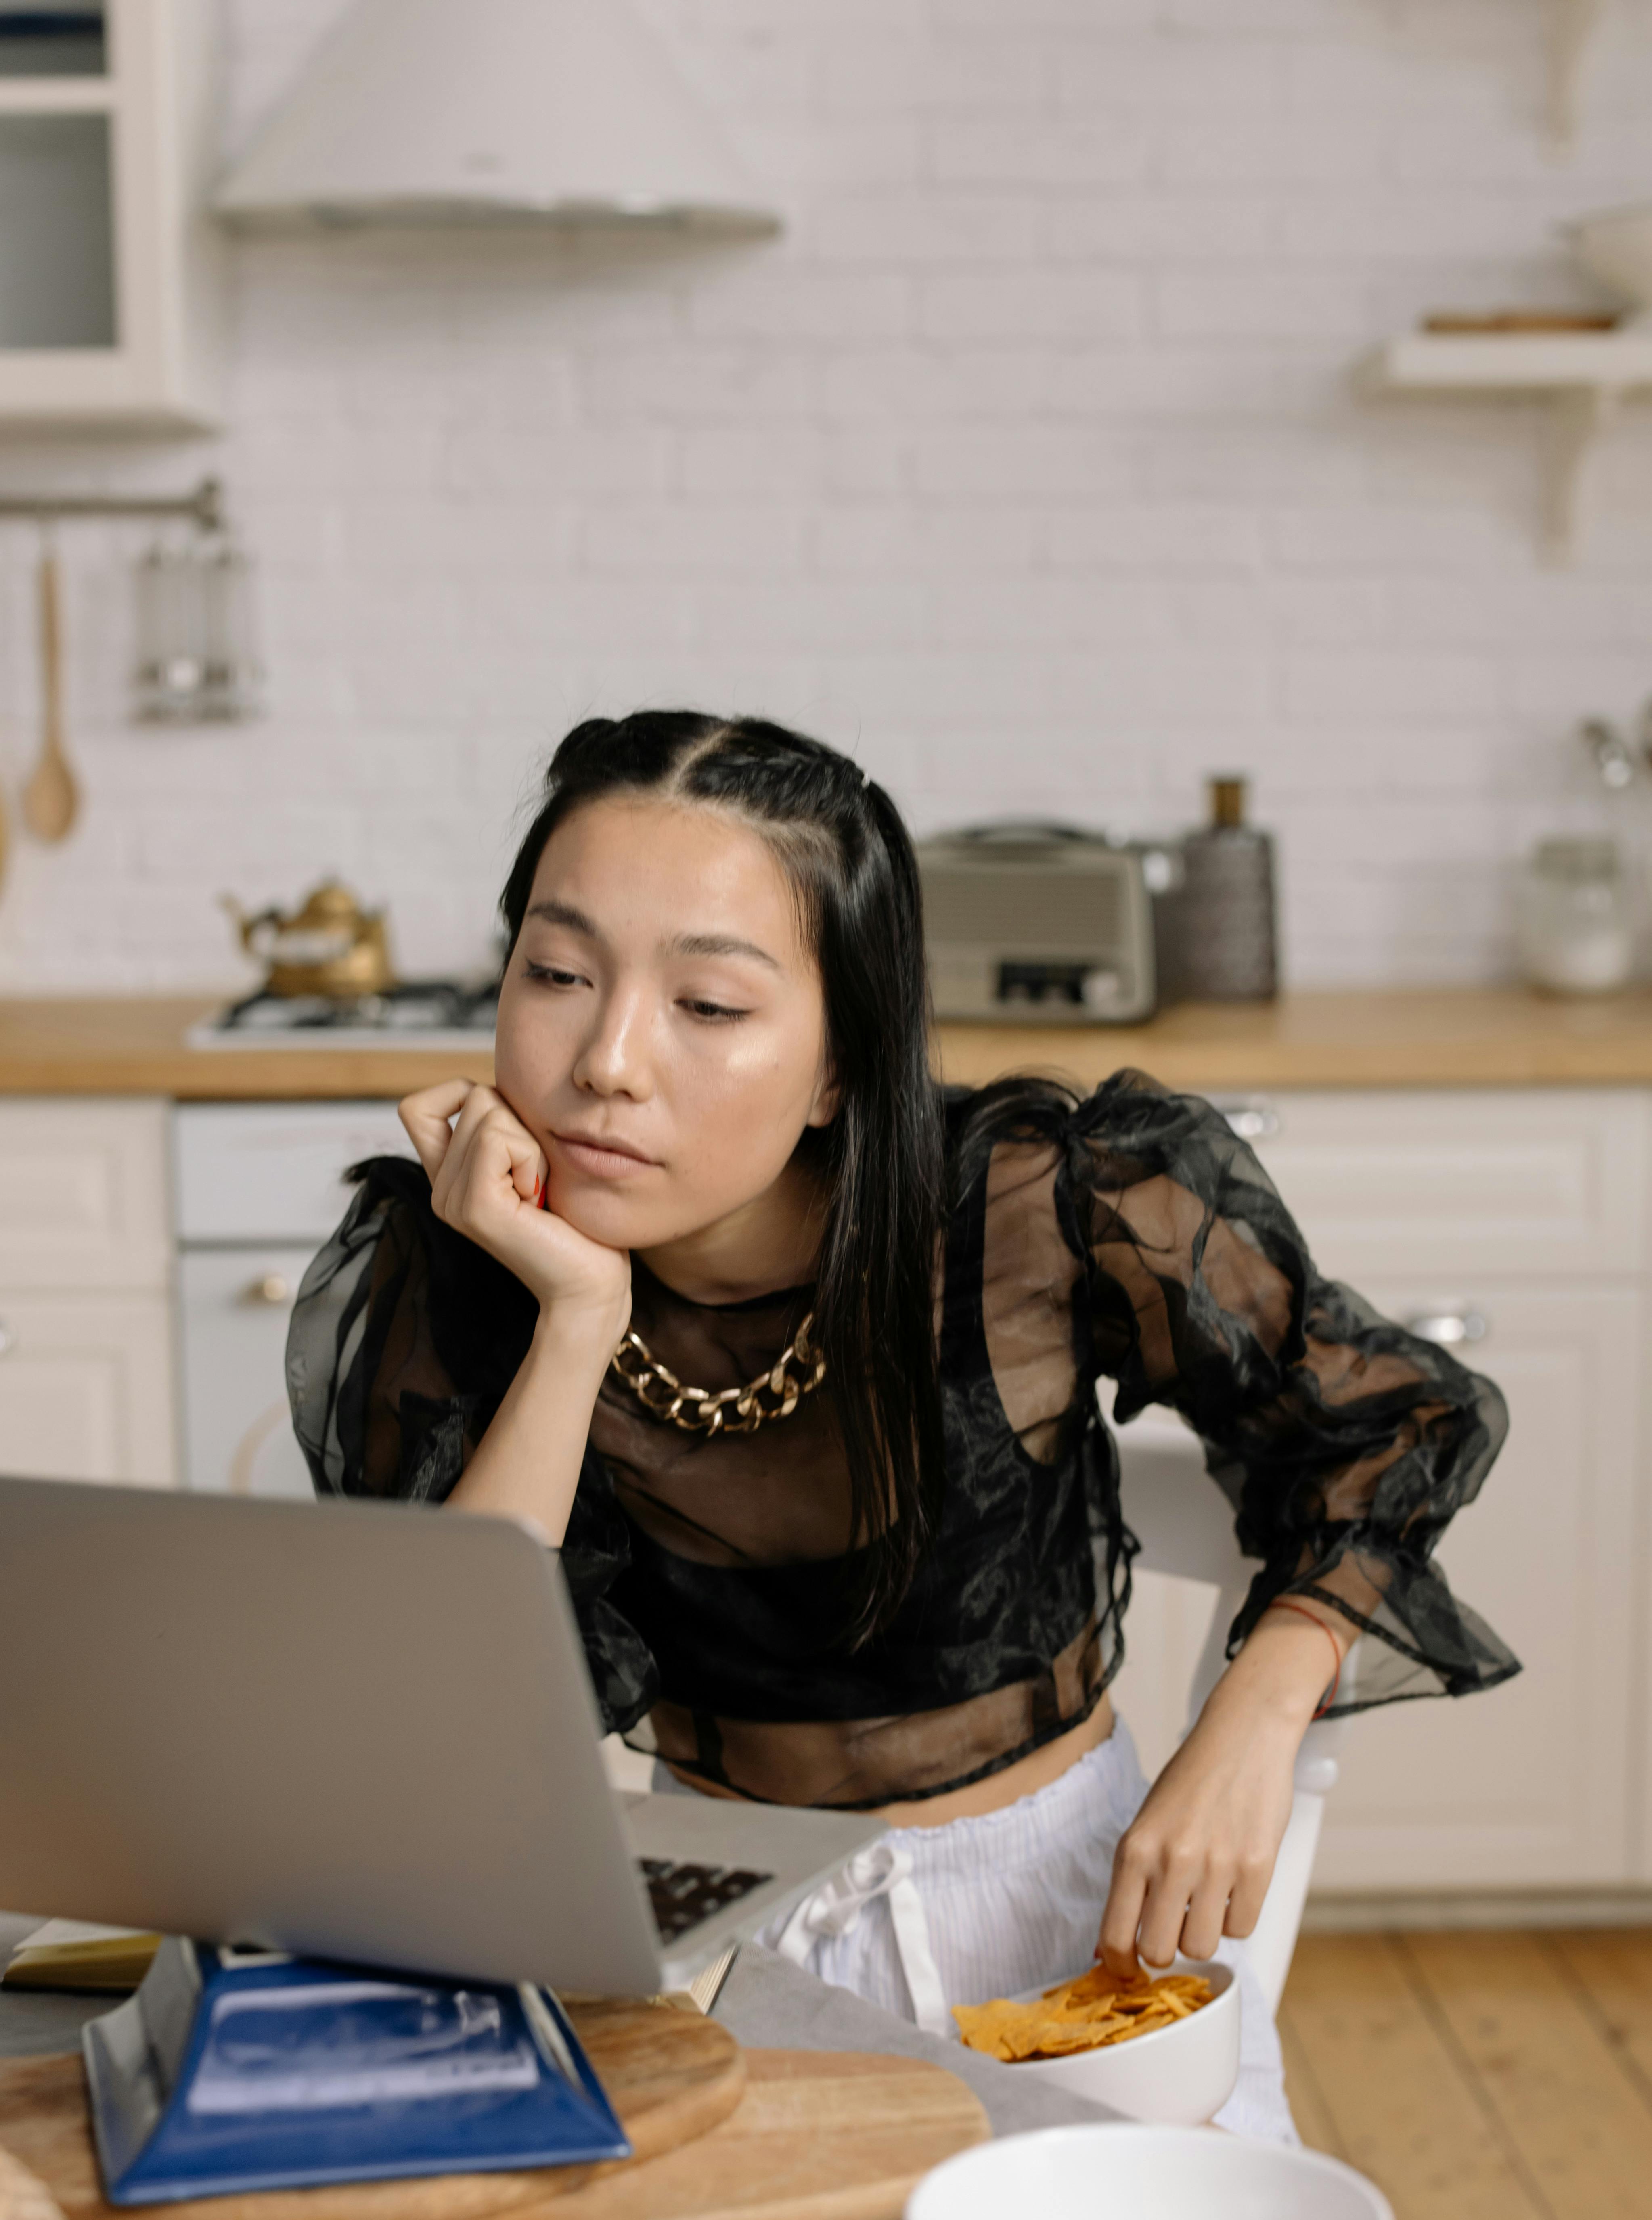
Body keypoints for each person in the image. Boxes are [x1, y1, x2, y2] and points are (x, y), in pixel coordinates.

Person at [287, 711, 1513, 2139]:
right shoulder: (458, 1261)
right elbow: (442, 1740)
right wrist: (574, 1318)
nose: (607, 1059)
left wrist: (1254, 1718)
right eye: (558, 973)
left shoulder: (1042, 1206)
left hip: (1075, 1938)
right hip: (703, 1964)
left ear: (837, 1068)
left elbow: (1394, 1424)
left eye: (709, 1004)